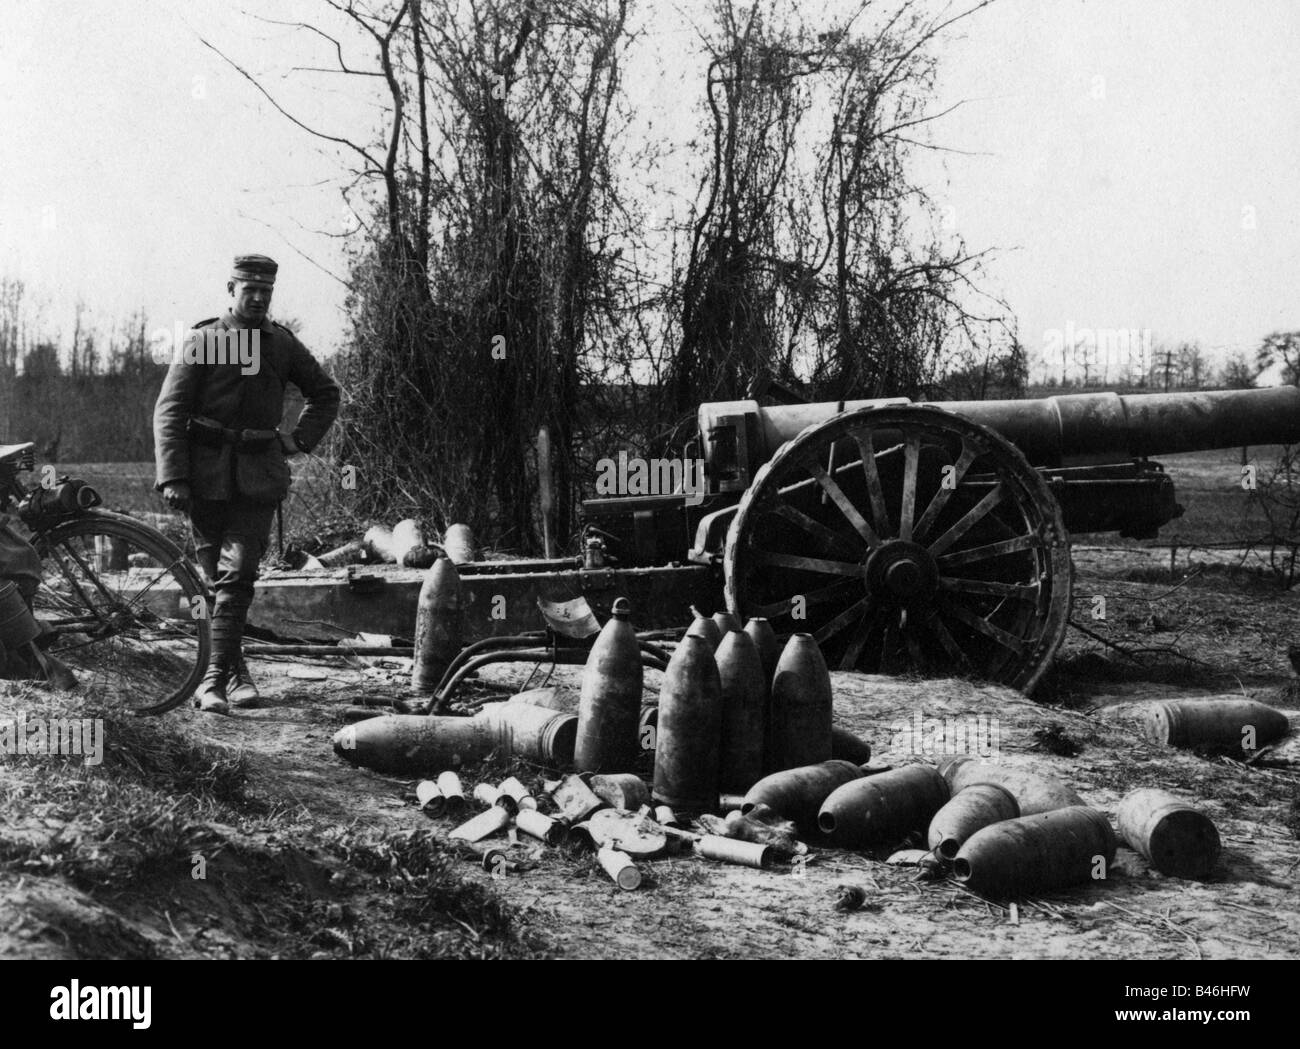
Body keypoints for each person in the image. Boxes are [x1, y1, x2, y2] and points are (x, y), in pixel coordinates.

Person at [154, 255, 340, 713]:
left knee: (237, 576)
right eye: (249, 289)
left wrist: (299, 439)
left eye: (266, 291)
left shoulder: (281, 345)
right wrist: (174, 476)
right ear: (231, 289)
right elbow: (170, 411)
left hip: (259, 476)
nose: (257, 298)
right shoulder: (204, 340)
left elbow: (325, 392)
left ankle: (214, 679)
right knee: (214, 580)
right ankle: (235, 674)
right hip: (203, 477)